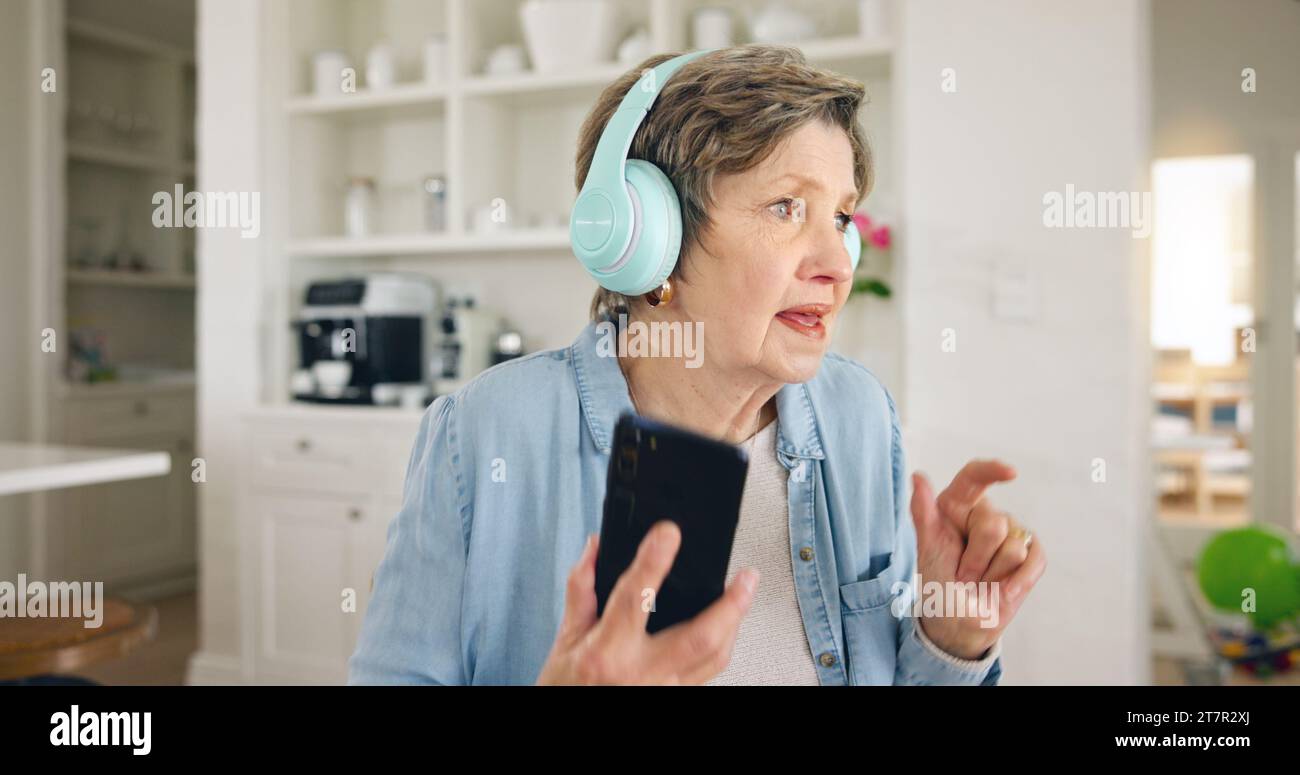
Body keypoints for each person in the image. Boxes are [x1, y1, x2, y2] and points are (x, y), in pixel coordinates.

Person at [348, 45, 1045, 685]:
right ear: (647, 239)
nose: (838, 265)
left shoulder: (858, 414)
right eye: (785, 206)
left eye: (840, 218)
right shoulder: (489, 432)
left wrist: (948, 640)